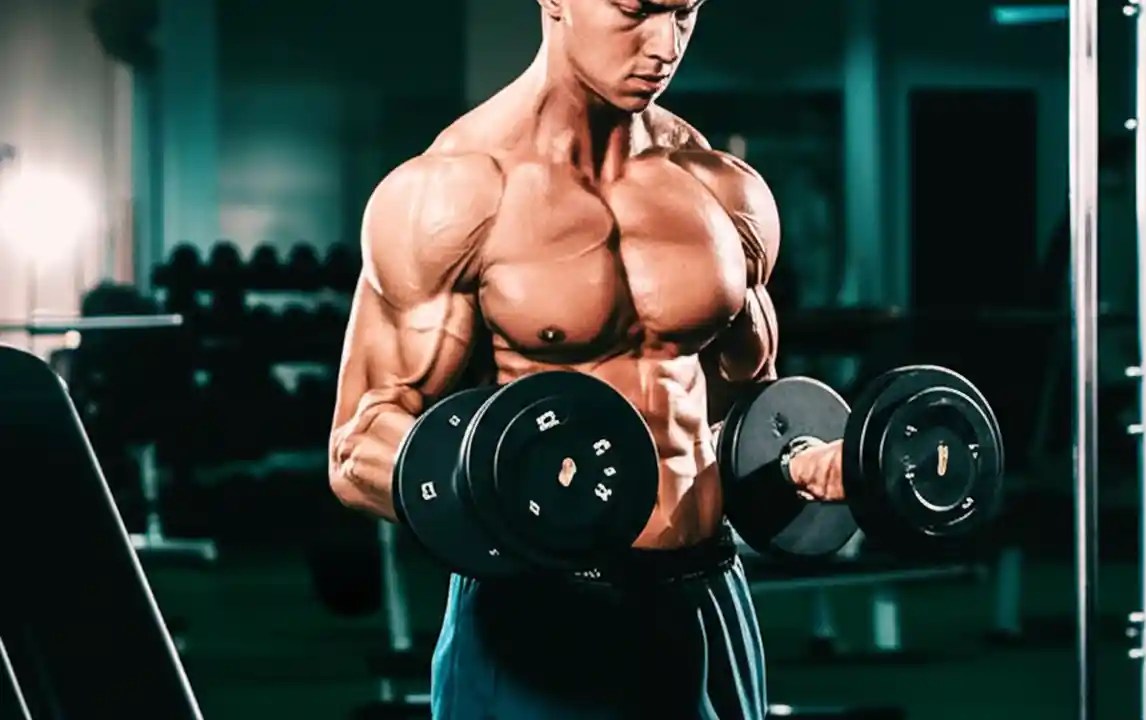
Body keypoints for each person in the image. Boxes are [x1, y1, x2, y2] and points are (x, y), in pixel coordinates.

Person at [329, 1, 843, 717]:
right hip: (539, 612)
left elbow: (743, 419)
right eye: (634, 10)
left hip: (705, 592)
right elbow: (360, 443)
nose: (664, 45)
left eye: (685, 12)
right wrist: (501, 495)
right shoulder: (452, 193)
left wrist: (802, 464)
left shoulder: (723, 190)